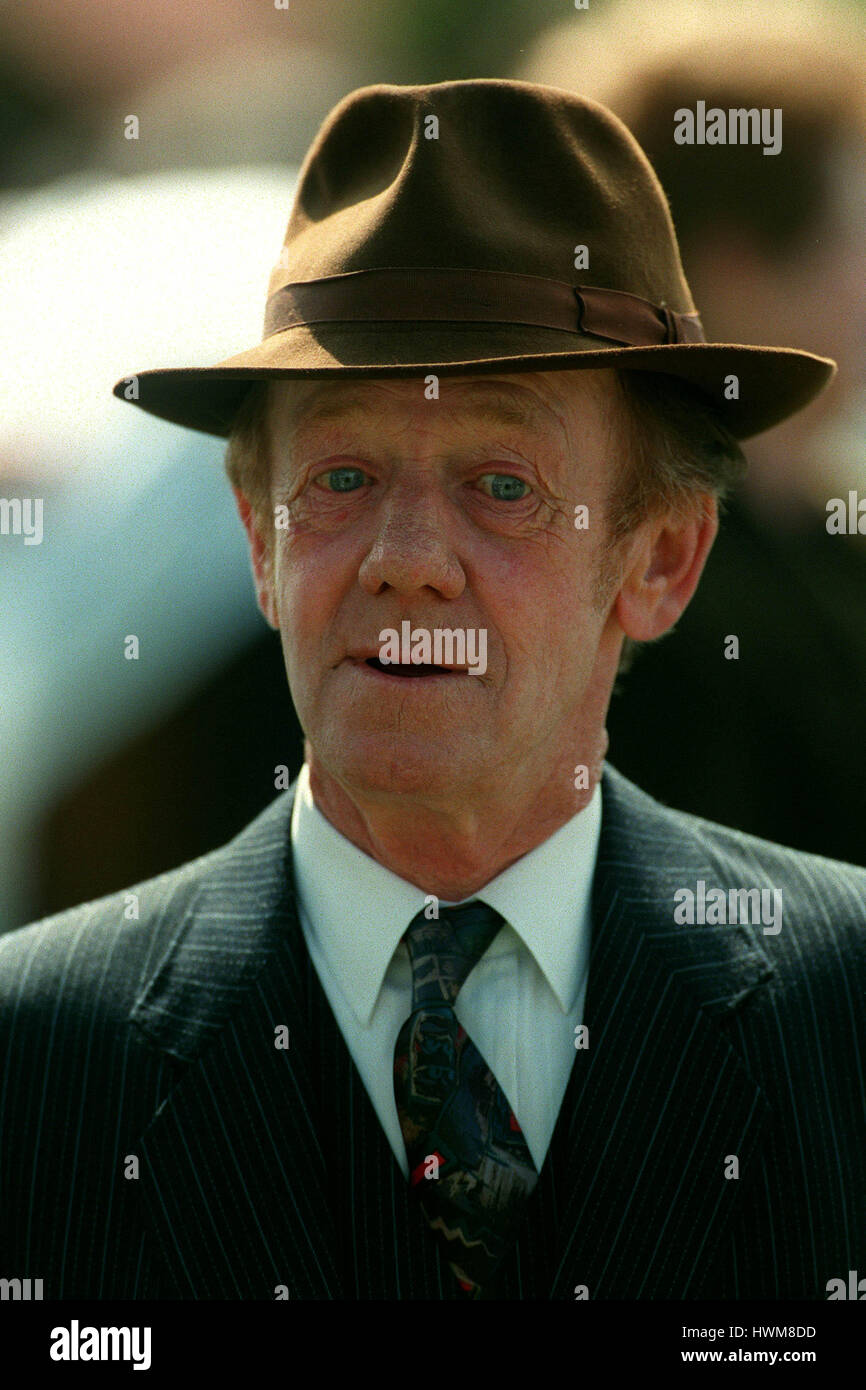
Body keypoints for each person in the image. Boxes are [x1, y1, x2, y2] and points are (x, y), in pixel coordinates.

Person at [0, 79, 863, 1302]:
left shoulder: (842, 1017)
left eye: (501, 485)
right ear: (260, 542)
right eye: (342, 475)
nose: (405, 556)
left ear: (660, 559)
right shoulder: (36, 1056)